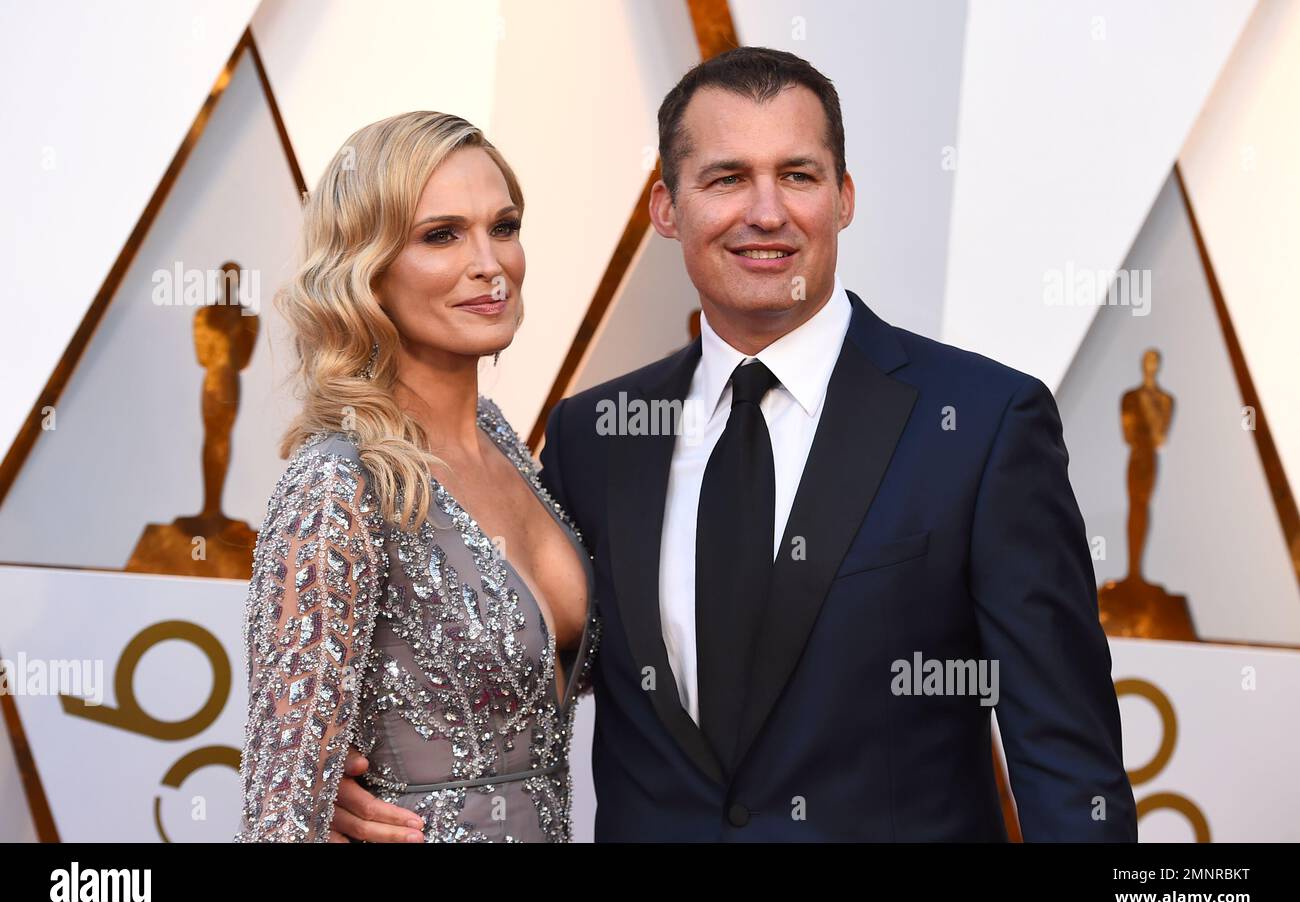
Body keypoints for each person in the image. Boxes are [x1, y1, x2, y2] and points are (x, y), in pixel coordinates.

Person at [334, 47, 1137, 842]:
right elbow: (508, 655)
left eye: (798, 175)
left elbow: (1068, 764)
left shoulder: (983, 422)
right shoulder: (595, 436)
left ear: (844, 197)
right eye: (727, 179)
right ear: (666, 208)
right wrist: (354, 781)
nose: (767, 212)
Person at [234, 111, 598, 843]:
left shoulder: (504, 443)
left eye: (504, 226)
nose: (490, 263)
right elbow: (280, 814)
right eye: (441, 235)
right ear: (365, 267)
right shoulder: (337, 484)